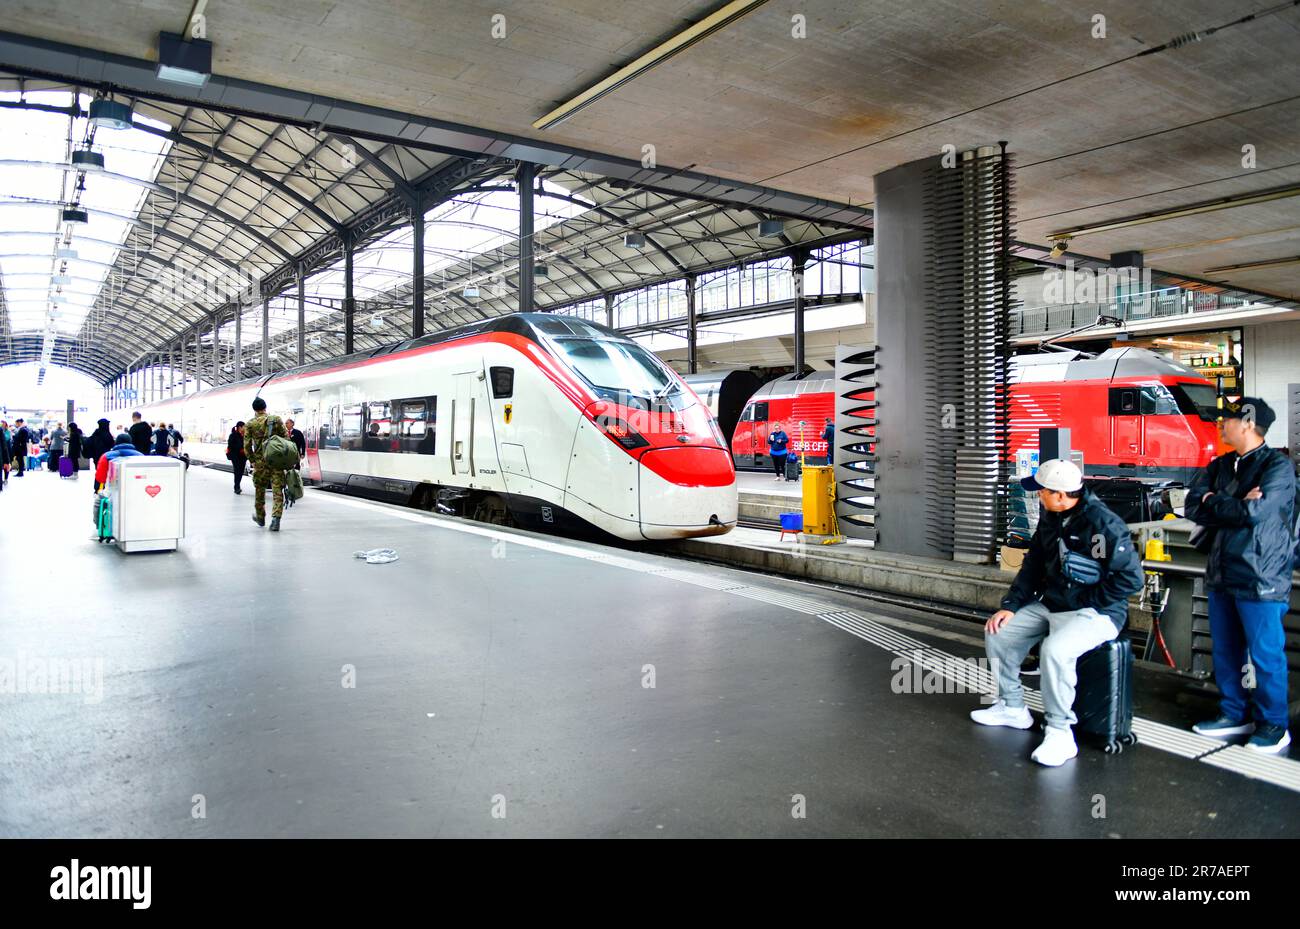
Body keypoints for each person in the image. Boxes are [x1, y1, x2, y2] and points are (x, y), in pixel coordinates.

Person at [970, 458, 1144, 767]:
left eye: (1042, 491)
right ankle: (1012, 707)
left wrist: (1088, 598)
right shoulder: (1052, 516)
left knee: (1055, 650)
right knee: (999, 631)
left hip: (1098, 612)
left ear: (1061, 495)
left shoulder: (1102, 525)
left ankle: (1061, 733)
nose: (1038, 495)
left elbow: (1131, 579)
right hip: (1054, 603)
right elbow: (1034, 564)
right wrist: (1011, 606)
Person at [1185, 397, 1294, 753]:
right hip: (1221, 573)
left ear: (1247, 424)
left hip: (1261, 576)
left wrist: (1213, 502)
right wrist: (1230, 502)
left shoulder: (1277, 467)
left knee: (1266, 656)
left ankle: (1274, 724)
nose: (1221, 424)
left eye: (1227, 419)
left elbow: (1256, 514)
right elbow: (1192, 506)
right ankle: (1234, 713)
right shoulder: (1219, 465)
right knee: (1227, 651)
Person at [245, 397, 288, 531]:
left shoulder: (250, 424)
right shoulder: (276, 420)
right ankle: (276, 519)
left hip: (260, 462)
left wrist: (252, 460)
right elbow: (286, 439)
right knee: (277, 490)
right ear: (265, 407)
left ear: (254, 409)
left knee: (260, 490)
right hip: (276, 461)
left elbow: (246, 446)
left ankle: (260, 517)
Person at [284, 418, 307, 508]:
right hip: (286, 457)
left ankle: (296, 489)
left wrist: (302, 453)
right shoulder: (283, 433)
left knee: (296, 472)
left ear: (292, 424)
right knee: (287, 473)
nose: (286, 424)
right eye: (285, 423)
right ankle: (289, 489)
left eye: (287, 423)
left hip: (295, 455)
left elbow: (303, 443)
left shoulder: (298, 433)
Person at [226, 422, 247, 495]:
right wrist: (240, 449)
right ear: (240, 427)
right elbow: (231, 445)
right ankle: (237, 487)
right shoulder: (233, 435)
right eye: (244, 426)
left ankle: (237, 485)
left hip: (243, 456)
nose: (245, 428)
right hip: (235, 456)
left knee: (241, 471)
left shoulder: (245, 435)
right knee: (237, 470)